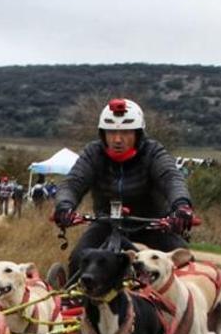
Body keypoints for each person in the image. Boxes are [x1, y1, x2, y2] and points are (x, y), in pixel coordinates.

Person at [52, 98, 195, 278]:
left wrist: (181, 205)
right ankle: (75, 302)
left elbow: (171, 178)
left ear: (138, 134)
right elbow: (73, 183)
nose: (117, 139)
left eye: (126, 132)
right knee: (79, 260)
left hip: (152, 224)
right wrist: (64, 206)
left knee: (186, 264)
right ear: (102, 134)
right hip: (106, 224)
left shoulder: (153, 152)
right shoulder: (93, 153)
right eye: (111, 133)